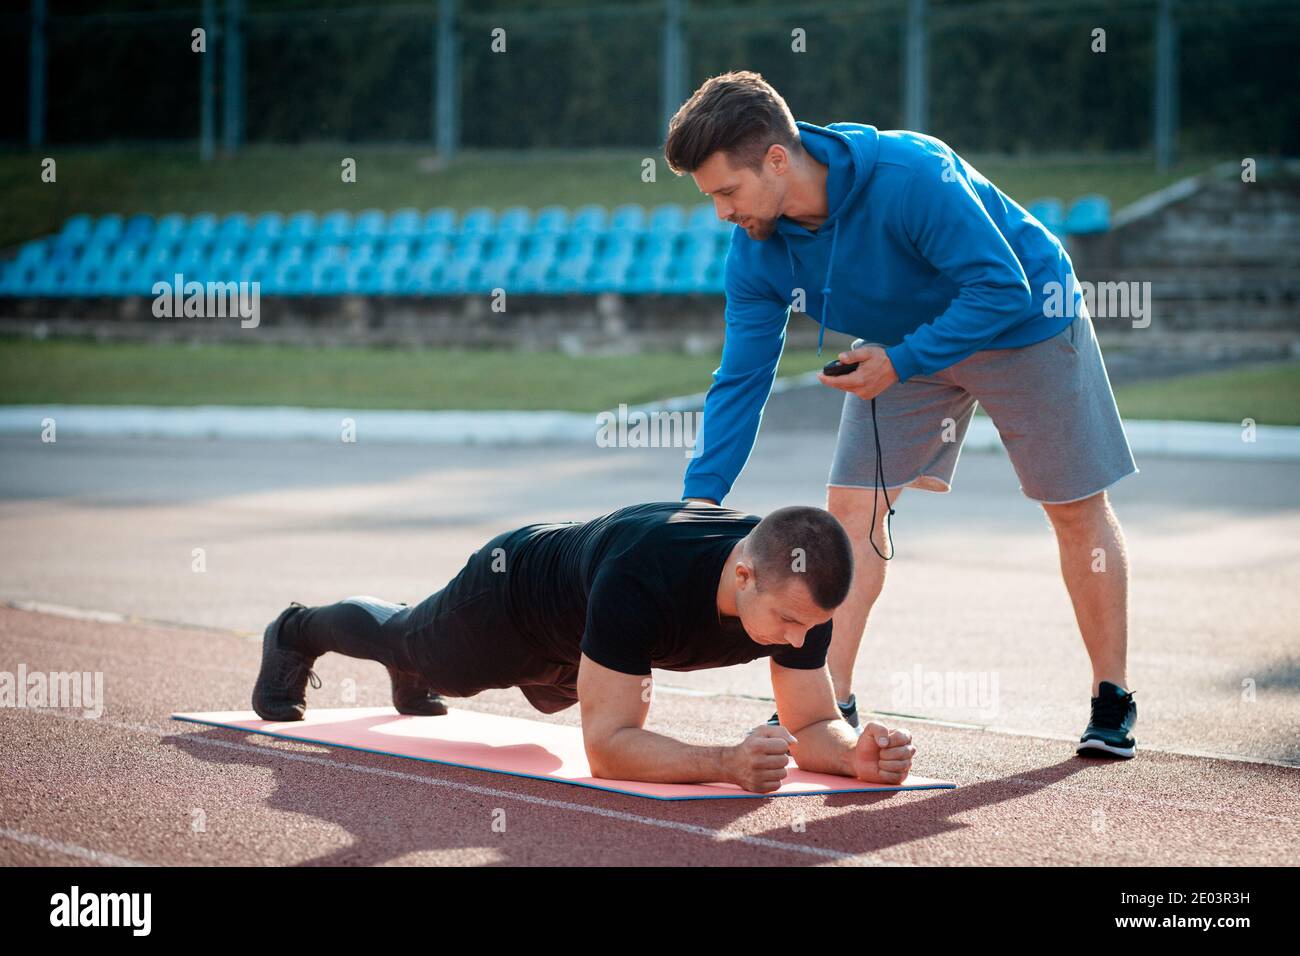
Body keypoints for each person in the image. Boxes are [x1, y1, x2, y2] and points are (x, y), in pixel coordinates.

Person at [663, 71, 1139, 758]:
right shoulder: (756, 254)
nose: (721, 212)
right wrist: (697, 503)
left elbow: (1000, 285)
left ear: (775, 159)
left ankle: (1112, 698)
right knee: (850, 508)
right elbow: (740, 379)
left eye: (726, 192)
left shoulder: (911, 173)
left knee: (1072, 507)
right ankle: (831, 702)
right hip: (904, 346)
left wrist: (905, 359)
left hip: (1025, 318)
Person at [253, 500, 916, 793]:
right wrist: (725, 761)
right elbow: (606, 748)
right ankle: (295, 629)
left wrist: (855, 758)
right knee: (411, 643)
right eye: (789, 624)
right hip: (510, 599)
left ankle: (416, 673)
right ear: (743, 575)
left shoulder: (804, 591)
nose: (802, 641)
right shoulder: (645, 575)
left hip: (583, 640)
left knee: (549, 706)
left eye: (812, 627)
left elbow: (810, 721)